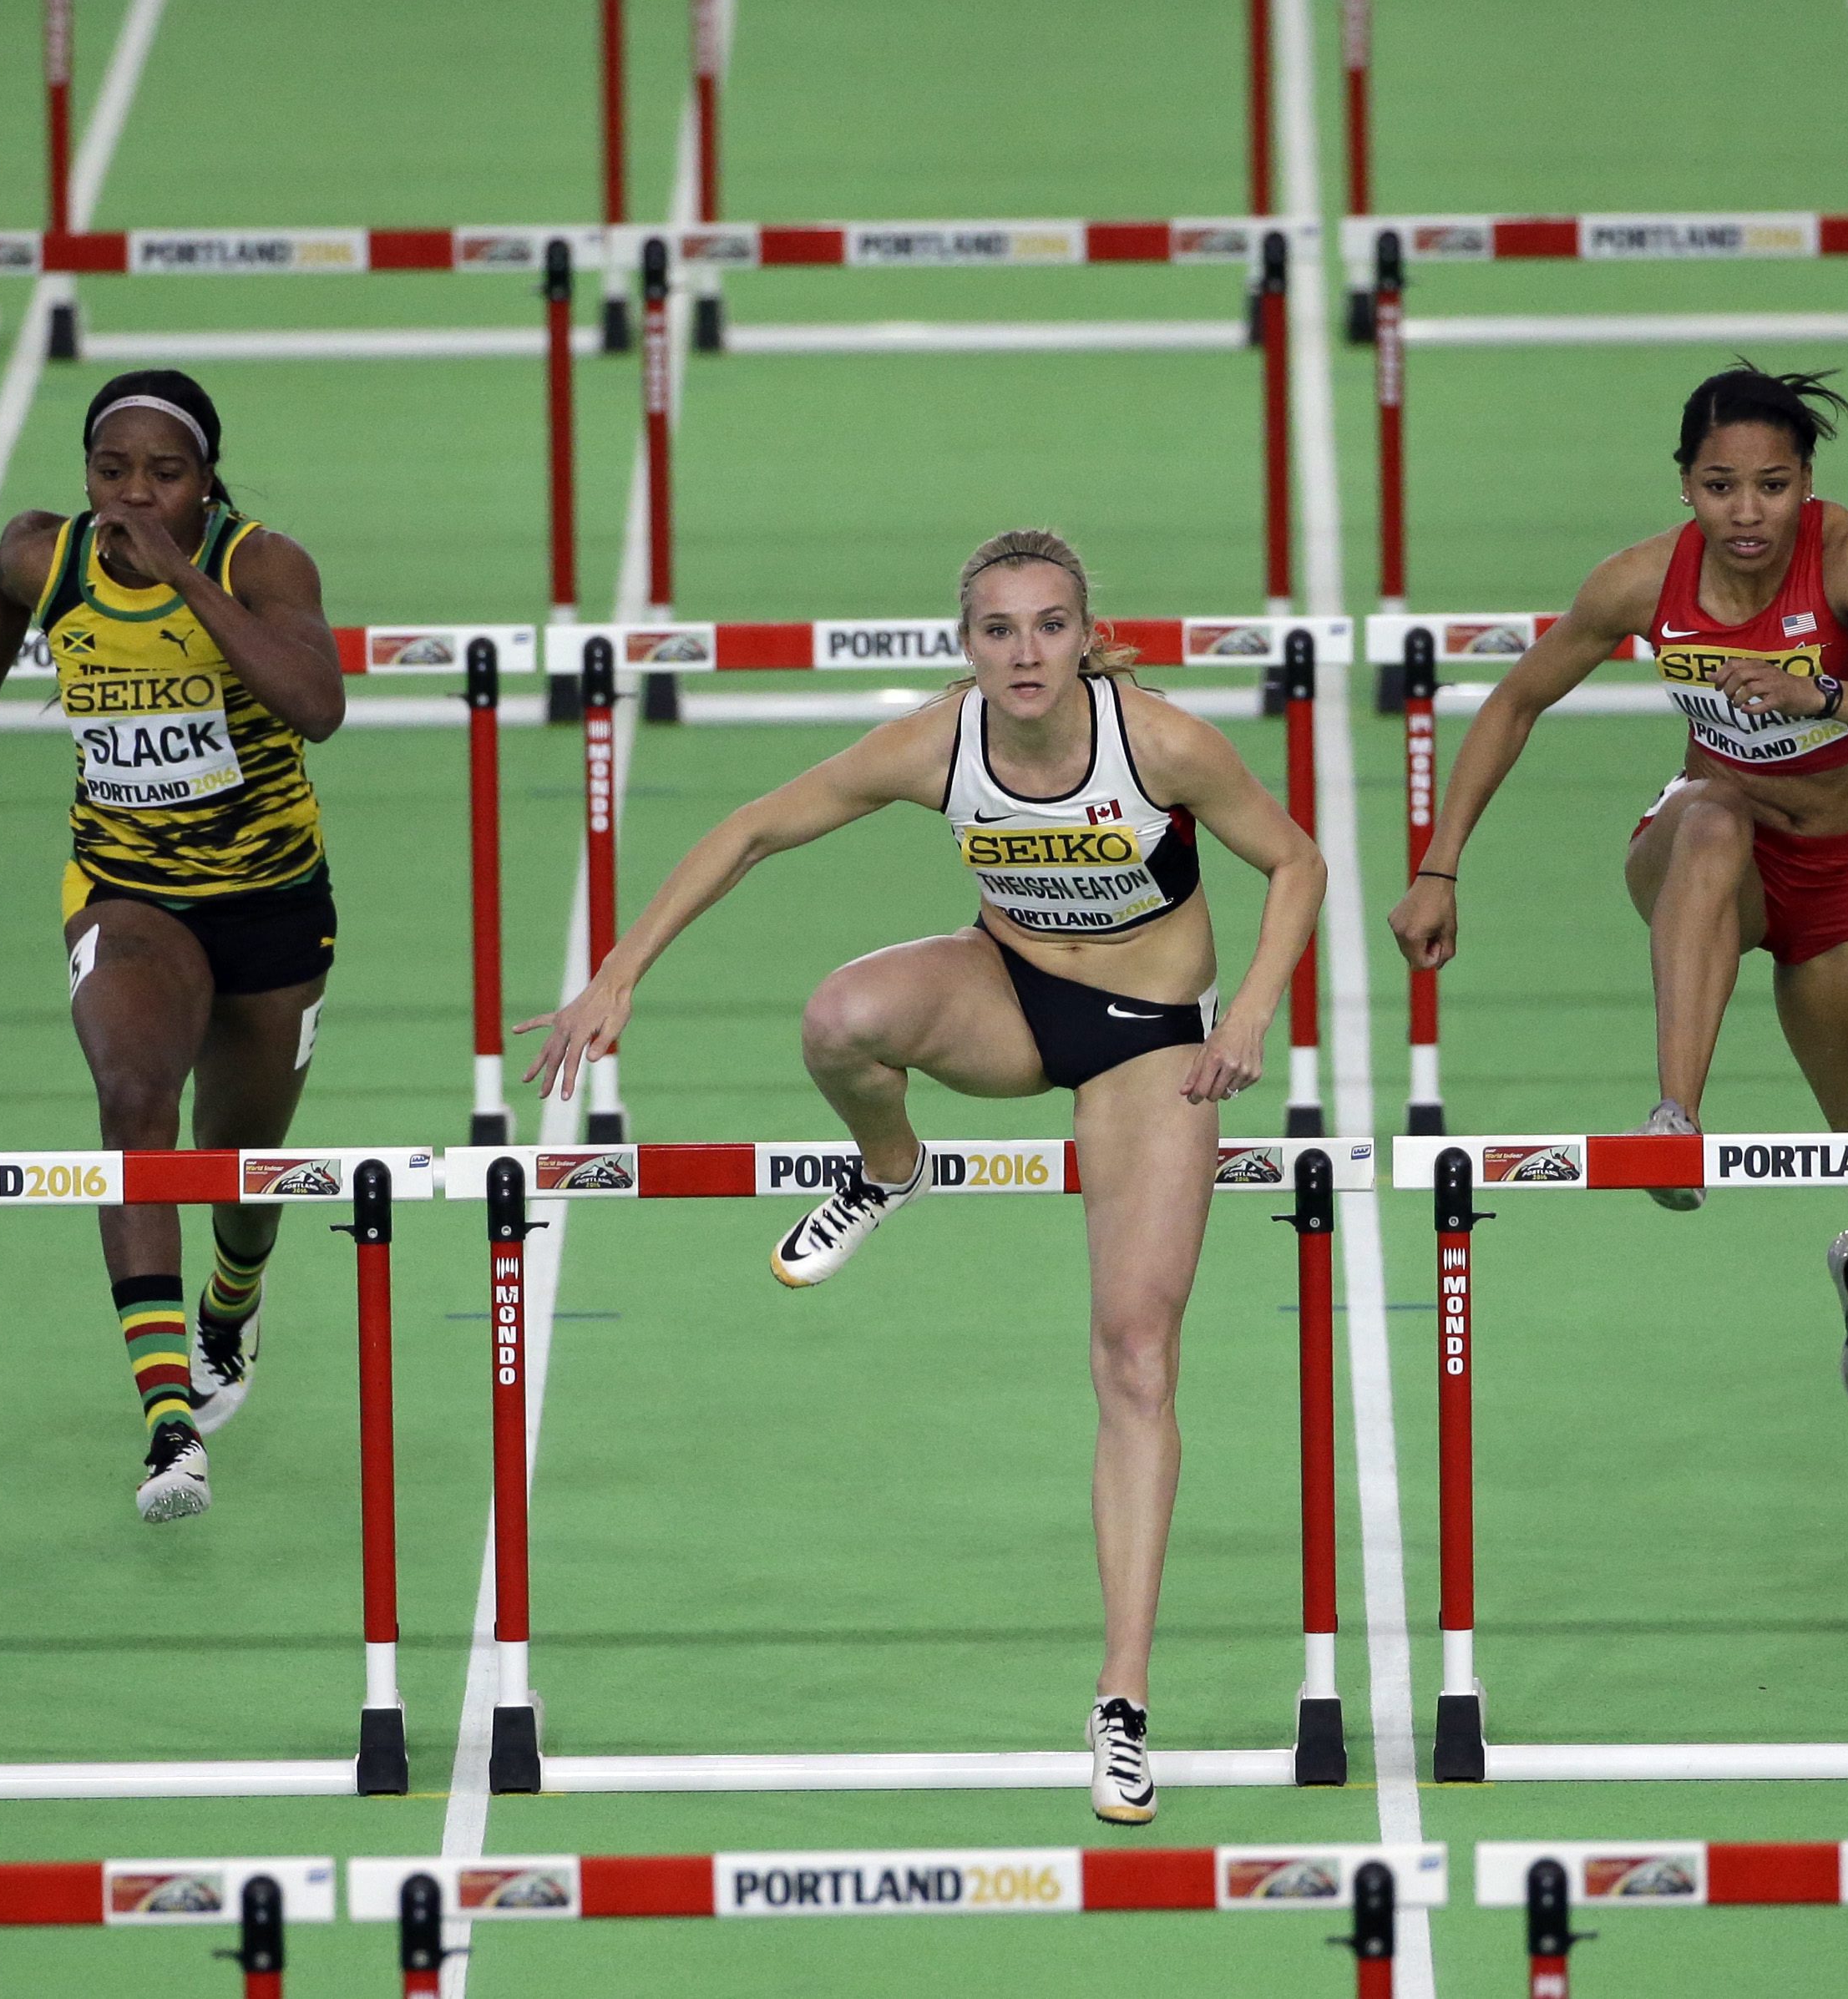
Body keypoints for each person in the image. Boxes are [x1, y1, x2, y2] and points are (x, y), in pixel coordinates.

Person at [519, 529, 1325, 1828]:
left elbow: (1295, 860)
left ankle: (1119, 1701)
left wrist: (1251, 1020)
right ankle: (891, 1169)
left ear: (1081, 634)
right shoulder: (935, 742)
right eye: (998, 628)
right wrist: (621, 968)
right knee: (840, 1017)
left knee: (1133, 1354)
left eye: (1049, 625)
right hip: (1002, 994)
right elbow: (753, 828)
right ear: (968, 644)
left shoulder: (1159, 741)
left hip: (1148, 1044)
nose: (1024, 651)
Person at [1387, 365, 1848, 1425]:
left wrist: (1824, 690)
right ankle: (1675, 1117)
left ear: (1805, 483)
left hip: (1843, 878)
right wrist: (1441, 864)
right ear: (1684, 486)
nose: (1745, 512)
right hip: (1707, 859)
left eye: (1770, 485)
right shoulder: (1638, 582)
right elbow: (1516, 700)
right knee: (1711, 812)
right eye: (1719, 486)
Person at [0, 371, 346, 1526]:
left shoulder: (263, 565)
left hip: (268, 899)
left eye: (165, 473)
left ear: (206, 479)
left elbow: (315, 704)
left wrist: (186, 576)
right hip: (126, 889)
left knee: (239, 1161)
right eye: (113, 471)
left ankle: (231, 1300)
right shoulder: (44, 555)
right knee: (133, 1098)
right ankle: (166, 1420)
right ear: (86, 474)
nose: (136, 494)